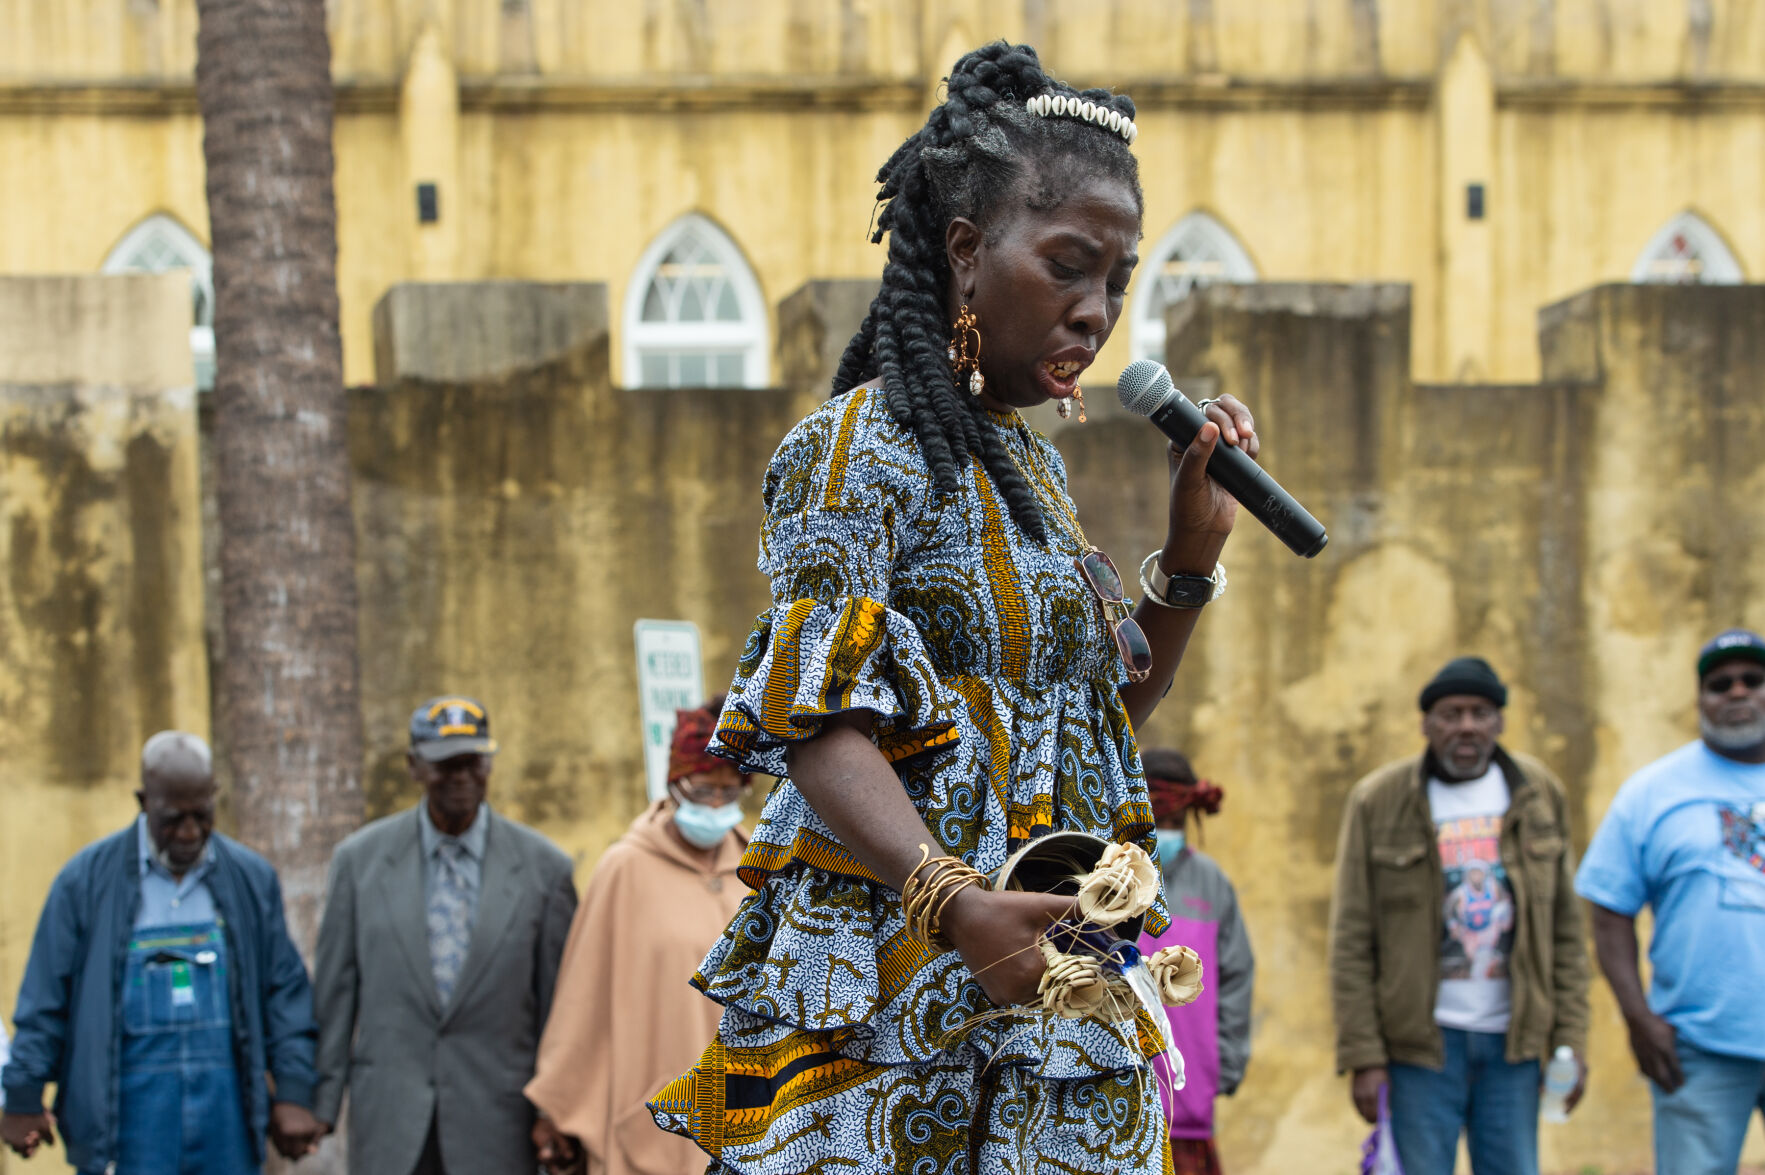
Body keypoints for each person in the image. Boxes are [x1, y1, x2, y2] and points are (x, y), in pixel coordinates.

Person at [647, 41, 1261, 1174]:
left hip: (1055, 965)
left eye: (1118, 282)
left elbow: (1095, 712)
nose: (1096, 311)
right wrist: (952, 899)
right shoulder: (852, 451)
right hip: (904, 970)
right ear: (967, 253)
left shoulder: (1030, 472)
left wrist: (1186, 558)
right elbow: (818, 722)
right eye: (1069, 265)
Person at [1, 731, 322, 1173]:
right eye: (173, 817)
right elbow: (45, 1003)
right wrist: (21, 1097)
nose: (190, 831)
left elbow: (284, 994)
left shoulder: (250, 879)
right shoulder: (86, 882)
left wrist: (293, 1092)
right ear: (143, 800)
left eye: (202, 814)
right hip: (127, 1128)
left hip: (226, 1125)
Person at [1327, 657, 1589, 1175]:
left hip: (1514, 1044)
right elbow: (1352, 937)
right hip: (1420, 1049)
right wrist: (1364, 1055)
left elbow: (1566, 934)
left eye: (1480, 712)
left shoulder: (1539, 794)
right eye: (1451, 713)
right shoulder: (1378, 801)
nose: (1466, 725)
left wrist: (1571, 1042)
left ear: (1500, 722)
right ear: (1427, 724)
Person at [312, 695, 577, 1175]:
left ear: (489, 764)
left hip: (498, 1125)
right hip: (392, 1124)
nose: (460, 777)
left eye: (472, 762)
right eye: (444, 764)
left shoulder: (545, 869)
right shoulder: (359, 862)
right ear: (414, 767)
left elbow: (558, 1007)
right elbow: (335, 993)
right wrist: (319, 1105)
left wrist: (553, 1111)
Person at [526, 697, 753, 1175]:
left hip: (751, 1115)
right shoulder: (624, 869)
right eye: (703, 789)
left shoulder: (762, 870)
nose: (715, 805)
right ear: (674, 785)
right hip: (650, 1118)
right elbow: (581, 999)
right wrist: (556, 1107)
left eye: (729, 793)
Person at [1576, 628, 1765, 1175]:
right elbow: (1609, 914)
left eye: (1753, 681)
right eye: (1720, 684)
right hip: (1698, 1046)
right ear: (1700, 698)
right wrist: (1639, 1019)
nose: (1737, 693)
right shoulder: (1653, 792)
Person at [1136, 749, 1255, 1175]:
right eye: (1155, 823)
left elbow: (1237, 977)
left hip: (1189, 1100)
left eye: (1174, 823)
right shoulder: (1102, 879)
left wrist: (1225, 1063)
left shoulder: (1212, 884)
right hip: (1118, 1092)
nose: (1165, 832)